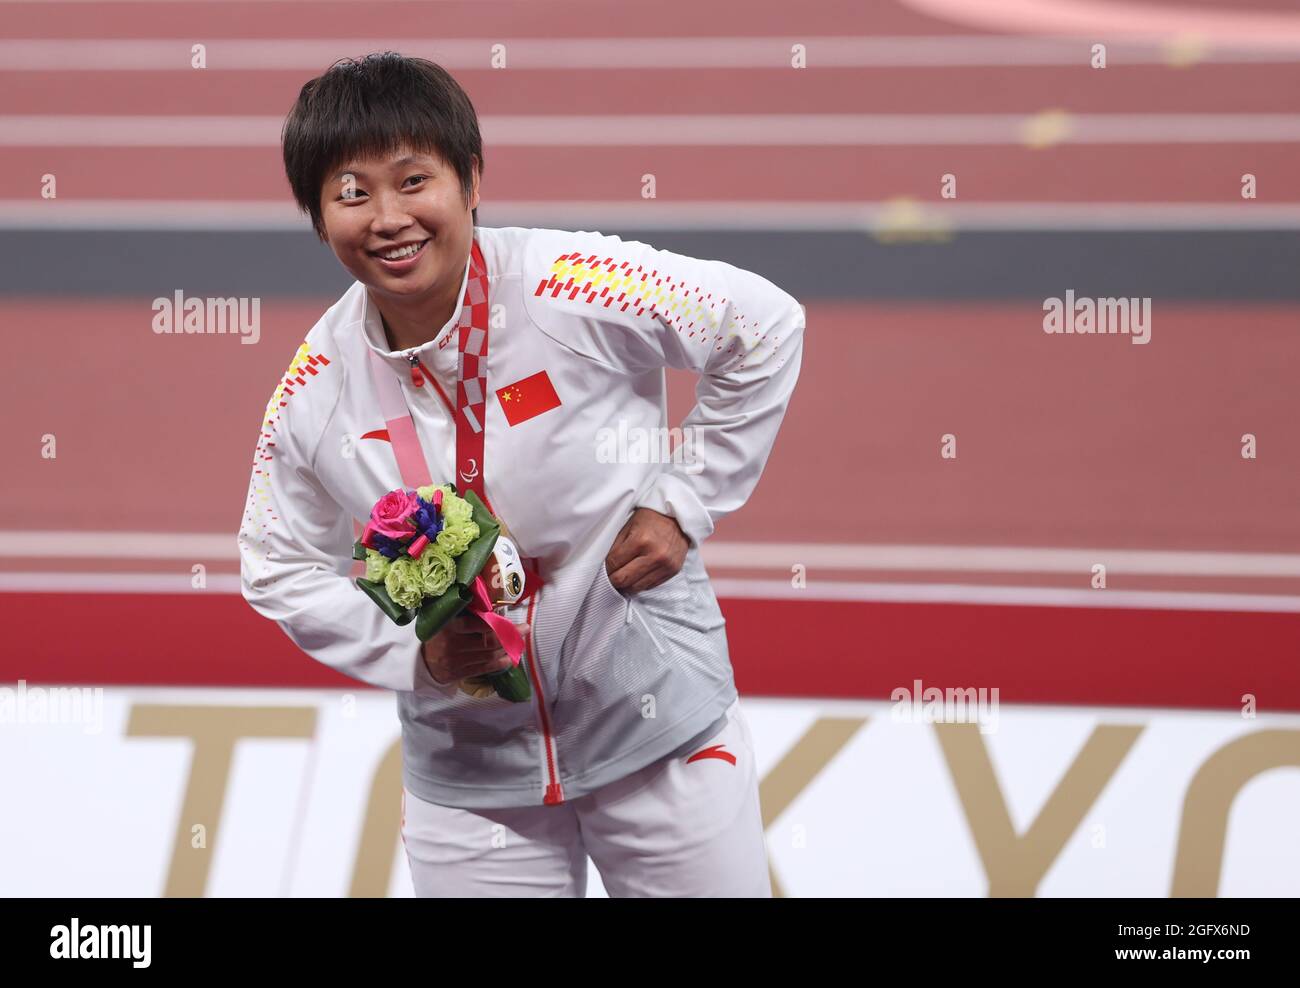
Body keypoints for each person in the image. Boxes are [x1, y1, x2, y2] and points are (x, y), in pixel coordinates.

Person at [238, 52, 804, 897]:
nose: (389, 218)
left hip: (659, 737)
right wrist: (416, 650)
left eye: (413, 180)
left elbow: (760, 326)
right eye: (351, 194)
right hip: (472, 780)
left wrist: (681, 501)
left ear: (471, 180)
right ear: (319, 220)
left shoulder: (571, 283)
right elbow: (273, 563)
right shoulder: (316, 389)